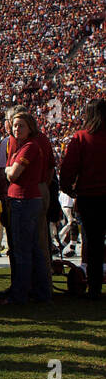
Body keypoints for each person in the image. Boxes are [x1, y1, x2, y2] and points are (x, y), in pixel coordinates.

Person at [0, 112, 51, 305]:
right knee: (33, 248)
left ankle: (20, 295)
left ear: (30, 127)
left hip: (24, 199)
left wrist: (7, 170)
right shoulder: (22, 147)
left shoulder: (29, 147)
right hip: (25, 199)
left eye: (21, 125)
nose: (16, 129)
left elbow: (12, 174)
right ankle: (41, 292)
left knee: (23, 249)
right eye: (14, 126)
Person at [61, 98, 106, 299]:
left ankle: (95, 288)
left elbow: (68, 168)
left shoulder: (81, 138)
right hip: (94, 197)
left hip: (90, 198)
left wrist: (69, 190)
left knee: (93, 245)